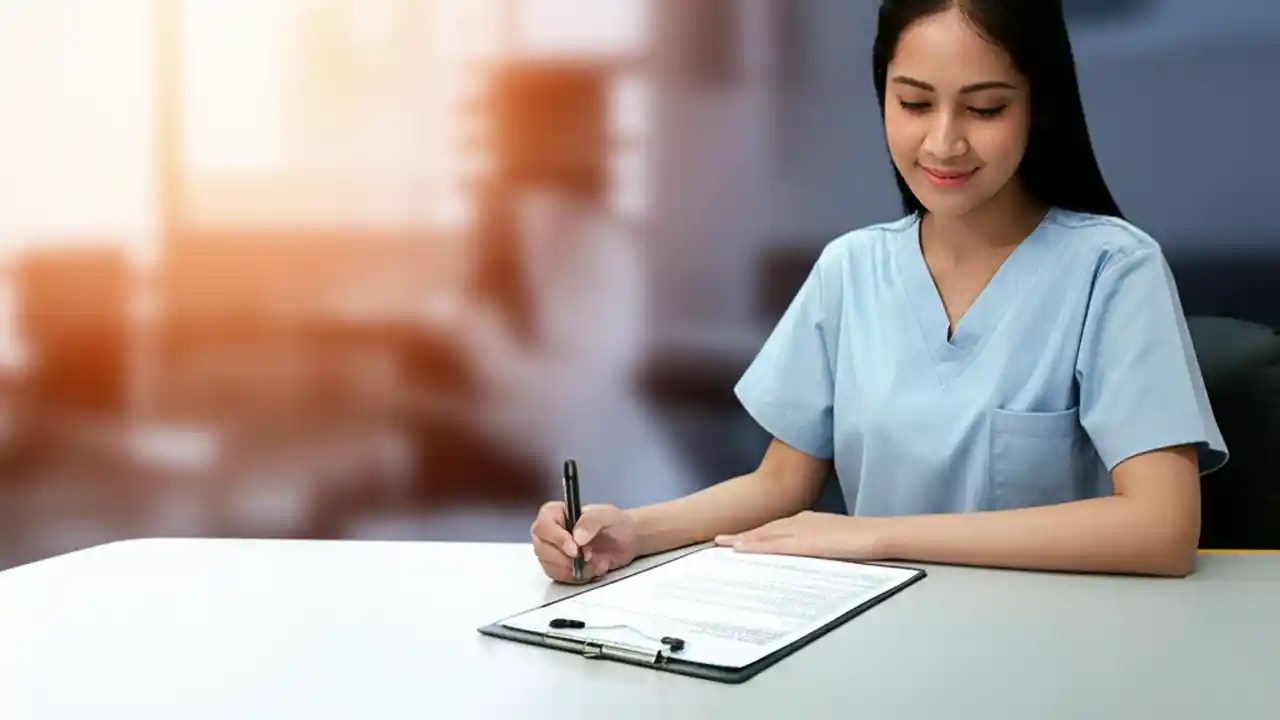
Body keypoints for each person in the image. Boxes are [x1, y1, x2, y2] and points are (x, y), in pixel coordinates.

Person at [530, 0, 1228, 580]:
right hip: (871, 629)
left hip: (1055, 643)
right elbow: (779, 486)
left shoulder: (1113, 269)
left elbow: (1160, 530)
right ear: (883, 95)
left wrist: (872, 536)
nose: (944, 143)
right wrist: (630, 530)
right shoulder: (851, 268)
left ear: (1038, 108)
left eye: (984, 109)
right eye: (914, 103)